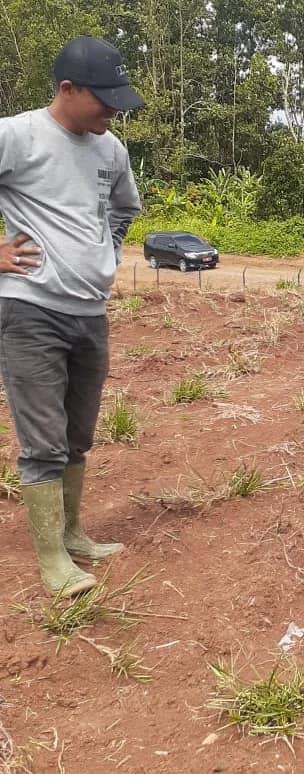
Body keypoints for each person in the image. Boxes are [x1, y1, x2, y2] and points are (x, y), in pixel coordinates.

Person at [0, 36, 144, 596]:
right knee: (44, 442)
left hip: (90, 313)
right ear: (67, 89)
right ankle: (52, 562)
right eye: (103, 99)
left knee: (78, 435)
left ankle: (74, 532)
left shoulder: (111, 151)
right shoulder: (18, 135)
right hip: (30, 311)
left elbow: (124, 208)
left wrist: (105, 254)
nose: (113, 110)